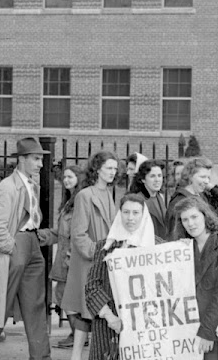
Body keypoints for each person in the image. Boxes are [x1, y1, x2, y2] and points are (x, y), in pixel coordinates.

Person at [0, 138, 57, 360]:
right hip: (15, 246)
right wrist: (12, 247)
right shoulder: (7, 187)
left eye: (41, 159)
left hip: (32, 246)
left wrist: (34, 240)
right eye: (36, 159)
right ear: (21, 160)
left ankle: (41, 357)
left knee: (35, 305)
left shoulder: (31, 184)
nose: (40, 164)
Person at [83, 193, 160, 360]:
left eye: (135, 213)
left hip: (145, 328)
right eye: (126, 212)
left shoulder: (158, 246)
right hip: (108, 327)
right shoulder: (105, 246)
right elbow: (92, 286)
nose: (130, 218)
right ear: (120, 214)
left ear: (143, 214)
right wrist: (110, 317)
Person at [62, 151, 119, 360]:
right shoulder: (85, 195)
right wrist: (97, 254)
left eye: (114, 168)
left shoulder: (108, 194)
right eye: (108, 168)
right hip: (92, 261)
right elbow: (78, 234)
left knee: (91, 312)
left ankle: (82, 355)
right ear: (97, 169)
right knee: (88, 311)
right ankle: (77, 356)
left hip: (104, 260)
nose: (113, 172)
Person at [173, 196, 218, 360]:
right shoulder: (182, 249)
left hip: (215, 329)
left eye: (194, 217)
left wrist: (207, 331)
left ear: (205, 216)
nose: (191, 223)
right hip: (186, 330)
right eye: (185, 219)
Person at [50, 165, 80, 348]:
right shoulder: (69, 201)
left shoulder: (78, 201)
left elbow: (77, 231)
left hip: (70, 256)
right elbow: (61, 231)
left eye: (70, 176)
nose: (66, 180)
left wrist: (70, 255)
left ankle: (78, 334)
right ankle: (77, 333)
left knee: (64, 294)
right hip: (63, 255)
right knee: (63, 294)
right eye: (65, 177)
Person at [166, 157, 218, 230]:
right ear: (190, 176)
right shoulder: (178, 201)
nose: (207, 181)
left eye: (208, 177)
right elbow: (173, 233)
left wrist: (212, 188)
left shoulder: (203, 195)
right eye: (203, 177)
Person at [130, 159, 169, 237]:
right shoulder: (137, 201)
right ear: (143, 179)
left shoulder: (160, 197)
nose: (157, 180)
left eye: (159, 175)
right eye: (152, 176)